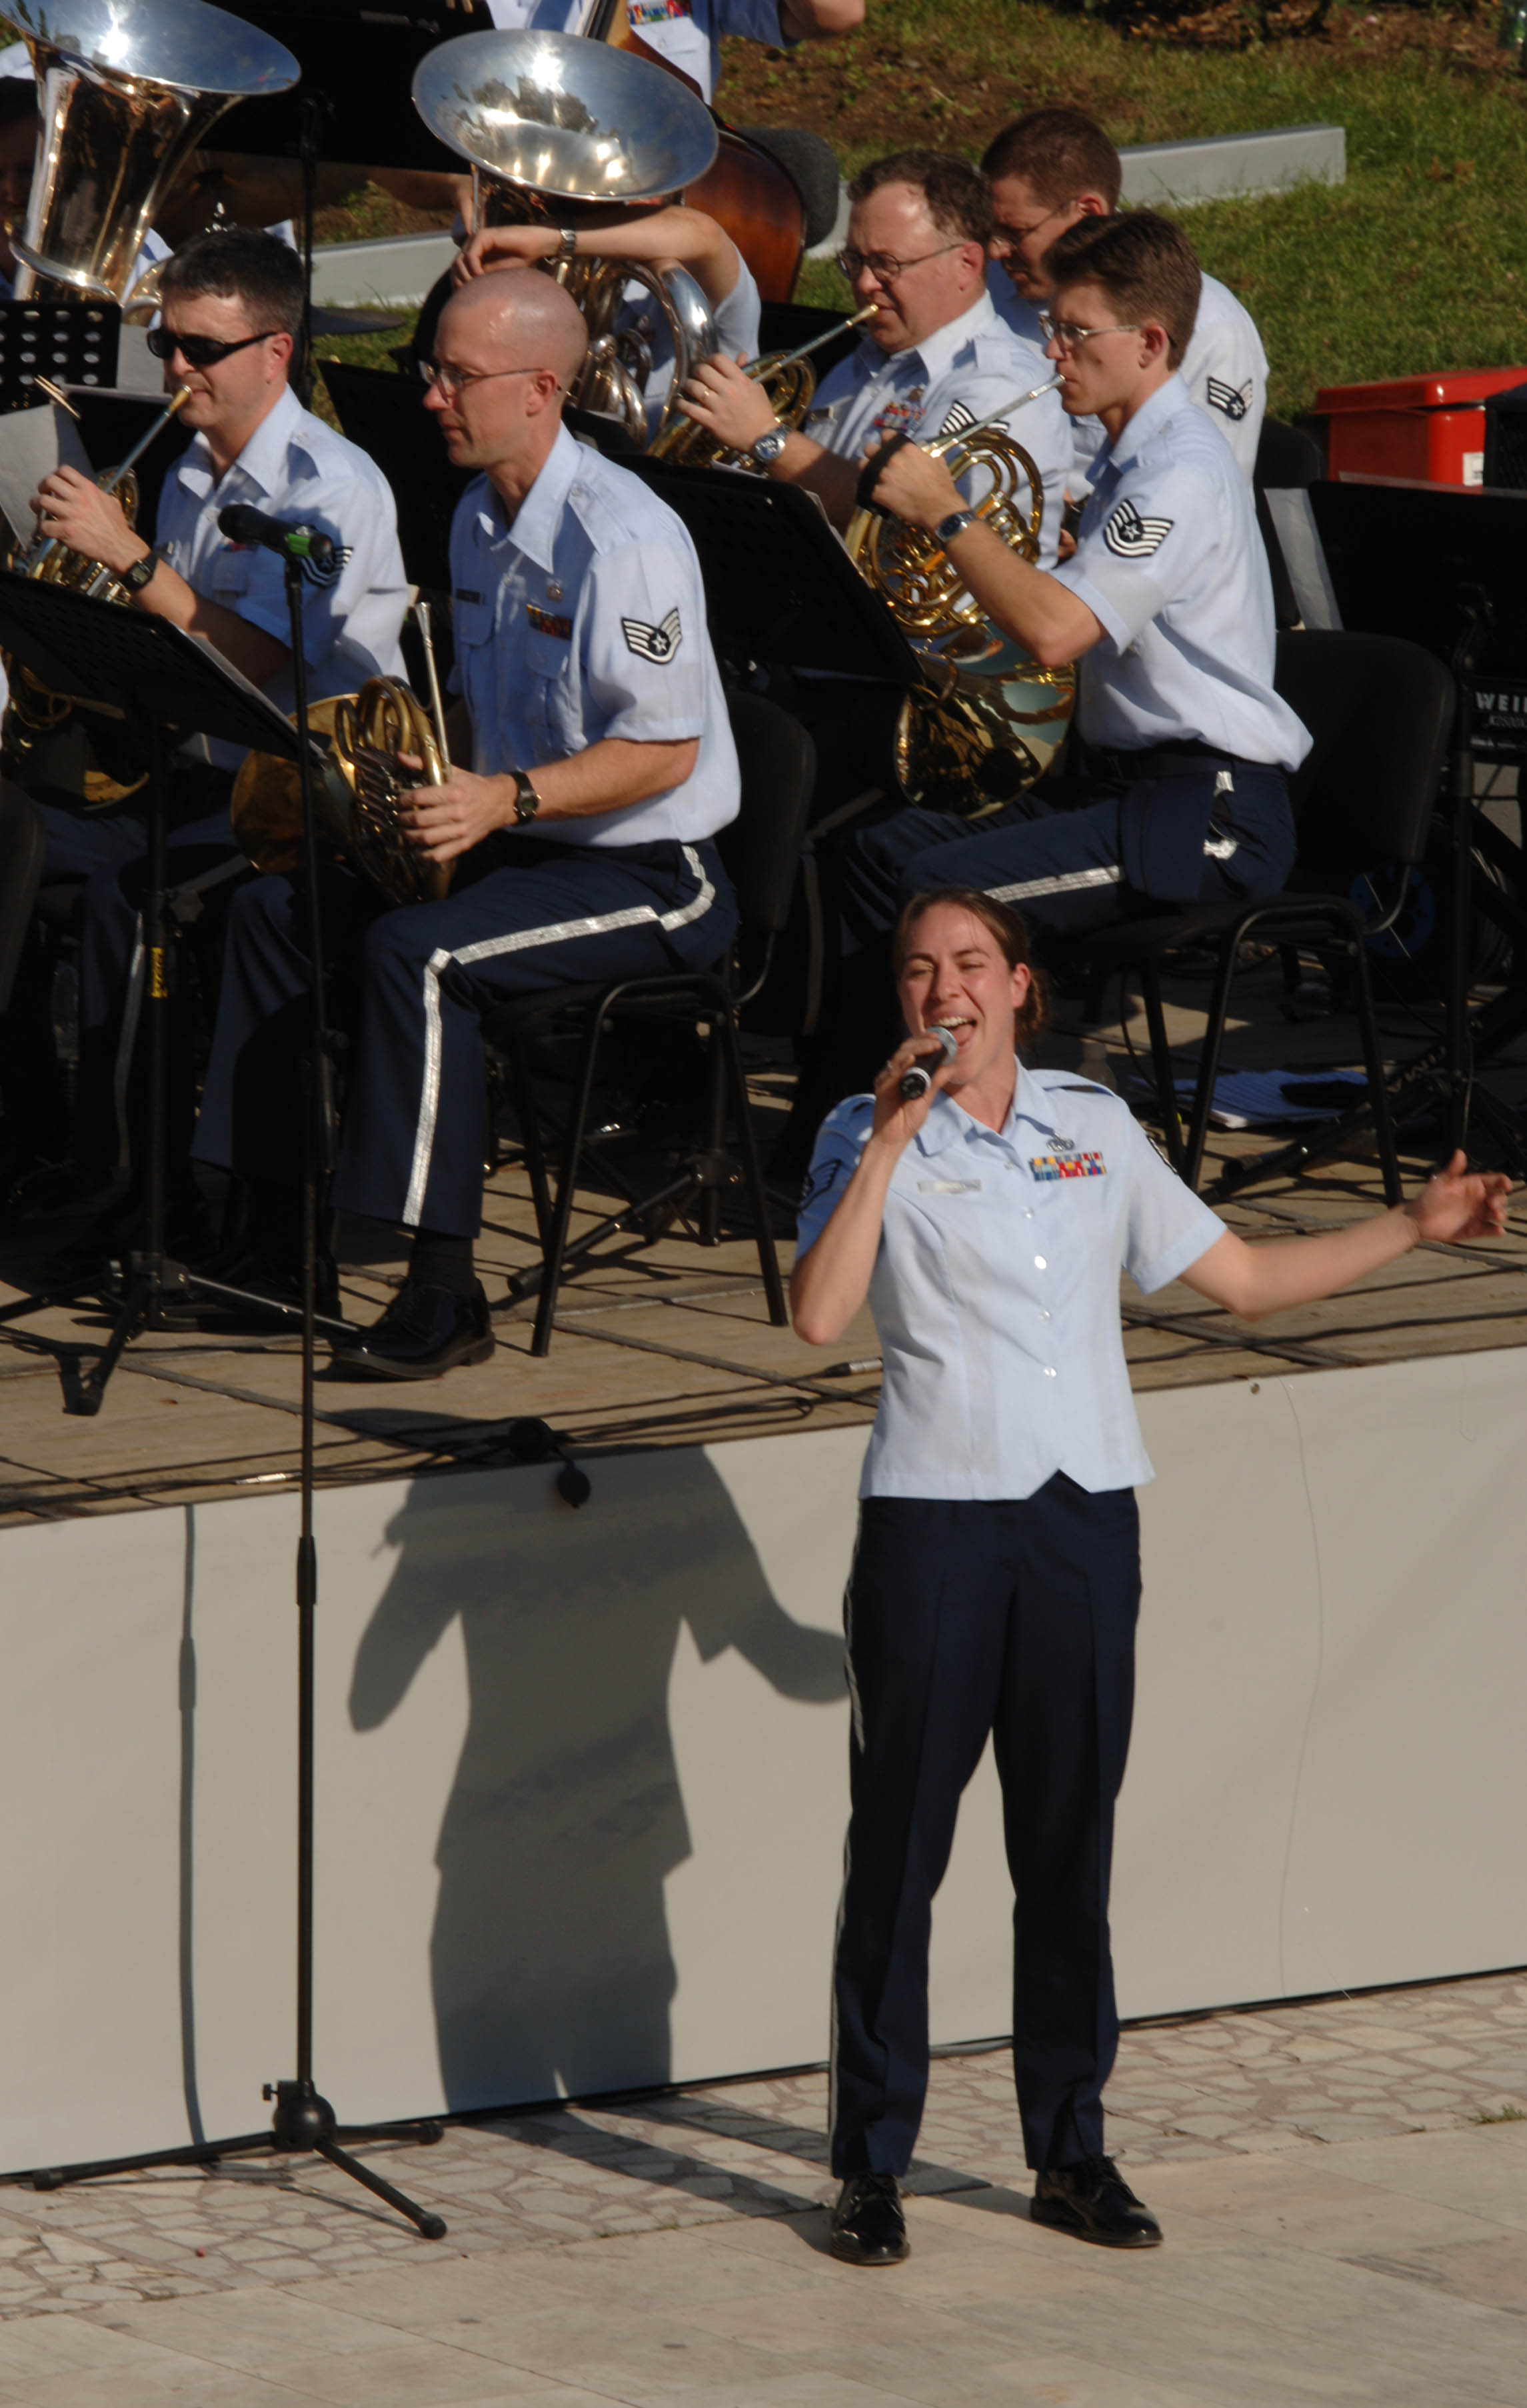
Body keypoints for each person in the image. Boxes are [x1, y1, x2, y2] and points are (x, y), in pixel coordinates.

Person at [792, 883, 1510, 2266]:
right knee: (897, 1859)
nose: (940, 988)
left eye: (967, 965)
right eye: (915, 971)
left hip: (1078, 1522)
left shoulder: (1093, 1127)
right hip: (933, 1526)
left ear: (1018, 989)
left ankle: (1068, 2148)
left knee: (1066, 1850)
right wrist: (889, 1138)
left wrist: (1410, 1229)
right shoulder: (852, 1129)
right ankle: (869, 2167)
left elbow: (1238, 1280)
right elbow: (819, 1315)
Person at [190, 271, 741, 1375]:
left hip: (654, 874)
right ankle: (269, 1242)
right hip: (522, 844)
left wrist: (507, 798)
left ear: (541, 388)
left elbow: (666, 749)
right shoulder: (478, 517)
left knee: (420, 956)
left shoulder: (623, 534)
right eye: (429, 370)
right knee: (271, 910)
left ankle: (444, 1290)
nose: (432, 394)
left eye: (456, 375)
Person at [827, 209, 1304, 1093]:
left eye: (1075, 334)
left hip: (1208, 811)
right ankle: (843, 1122)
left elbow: (1052, 631)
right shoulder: (1126, 461)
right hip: (1116, 783)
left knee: (942, 894)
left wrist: (944, 512)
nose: (1053, 353)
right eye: (1052, 330)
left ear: (1149, 342)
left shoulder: (1180, 472)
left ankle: (945, 1129)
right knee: (873, 851)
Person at [19, 229, 409, 1233]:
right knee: (10, 837)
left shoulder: (331, 487)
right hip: (195, 773)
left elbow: (259, 665)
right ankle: (38, 1134)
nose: (177, 369)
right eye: (166, 346)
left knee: (127, 897)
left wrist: (130, 560)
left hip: (302, 793)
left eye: (200, 349)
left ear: (275, 352)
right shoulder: (188, 467)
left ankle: (140, 1188)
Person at [679, 148, 1072, 565]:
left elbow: (913, 534)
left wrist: (769, 439)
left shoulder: (999, 385)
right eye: (854, 261)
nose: (865, 283)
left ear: (967, 264)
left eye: (887, 264)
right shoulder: (860, 364)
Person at [984, 107, 1268, 487]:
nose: (994, 251)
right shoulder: (987, 287)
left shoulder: (1212, 328)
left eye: (1015, 233)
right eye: (988, 231)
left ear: (1088, 213)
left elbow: (1202, 491)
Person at [453, 199, 761, 443]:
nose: (636, 202)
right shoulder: (550, 280)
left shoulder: (701, 291)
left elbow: (703, 235)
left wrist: (547, 236)